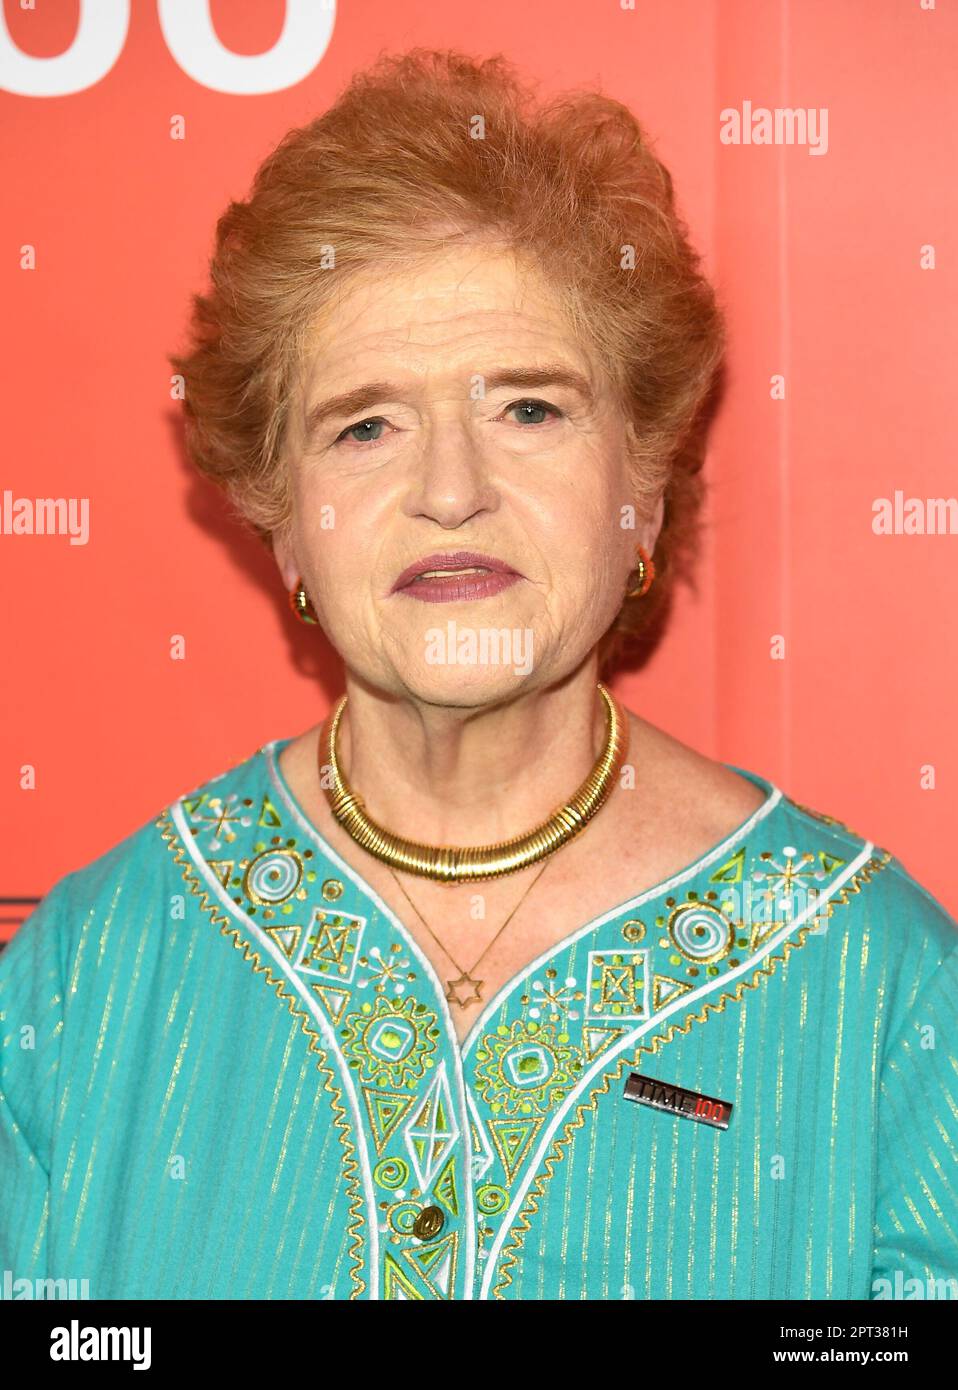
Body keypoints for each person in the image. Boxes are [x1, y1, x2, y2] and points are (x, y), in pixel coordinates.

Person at [2, 48, 956, 1302]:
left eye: (529, 409)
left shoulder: (883, 1003)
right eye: (365, 425)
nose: (450, 490)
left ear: (644, 486)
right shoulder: (87, 982)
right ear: (282, 519)